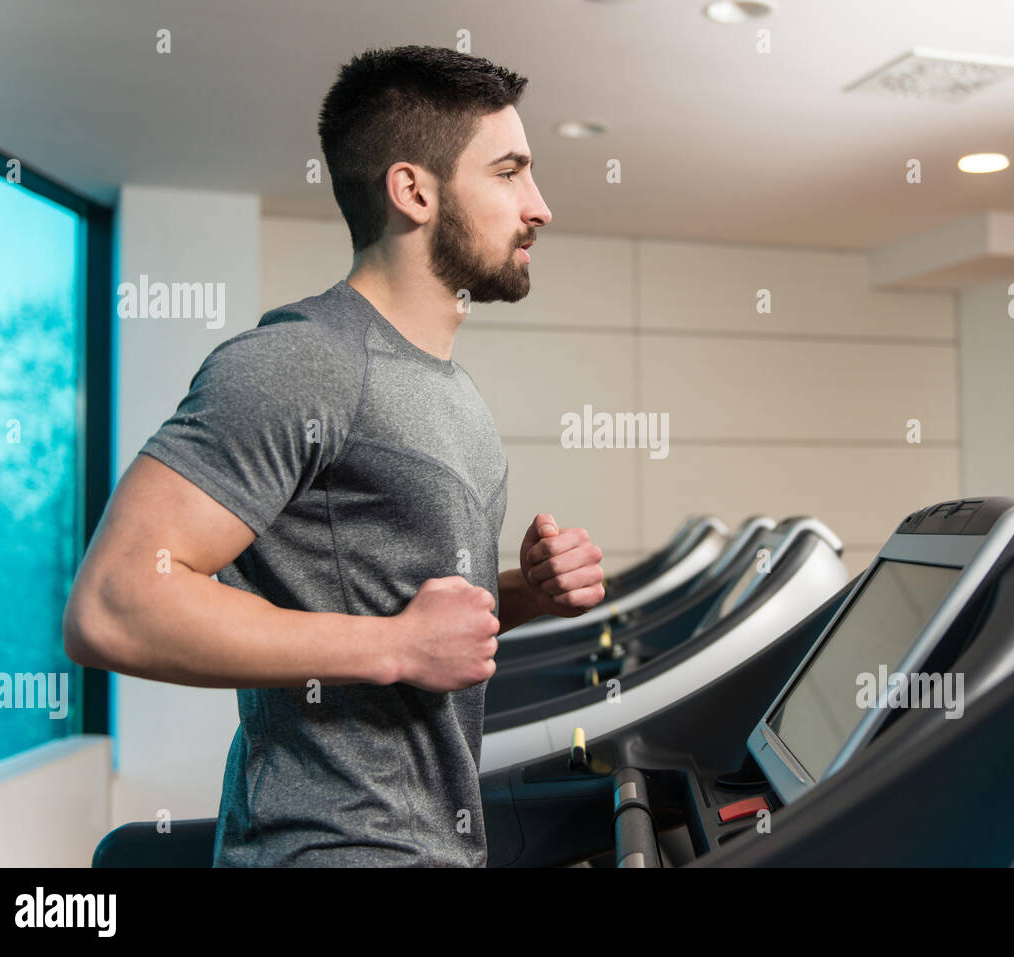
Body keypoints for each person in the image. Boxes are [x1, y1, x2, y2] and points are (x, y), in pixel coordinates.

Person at [62, 44, 606, 866]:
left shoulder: (454, 397)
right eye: (508, 173)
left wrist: (527, 593)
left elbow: (407, 613)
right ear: (413, 190)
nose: (539, 206)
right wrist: (393, 646)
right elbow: (113, 601)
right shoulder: (303, 360)